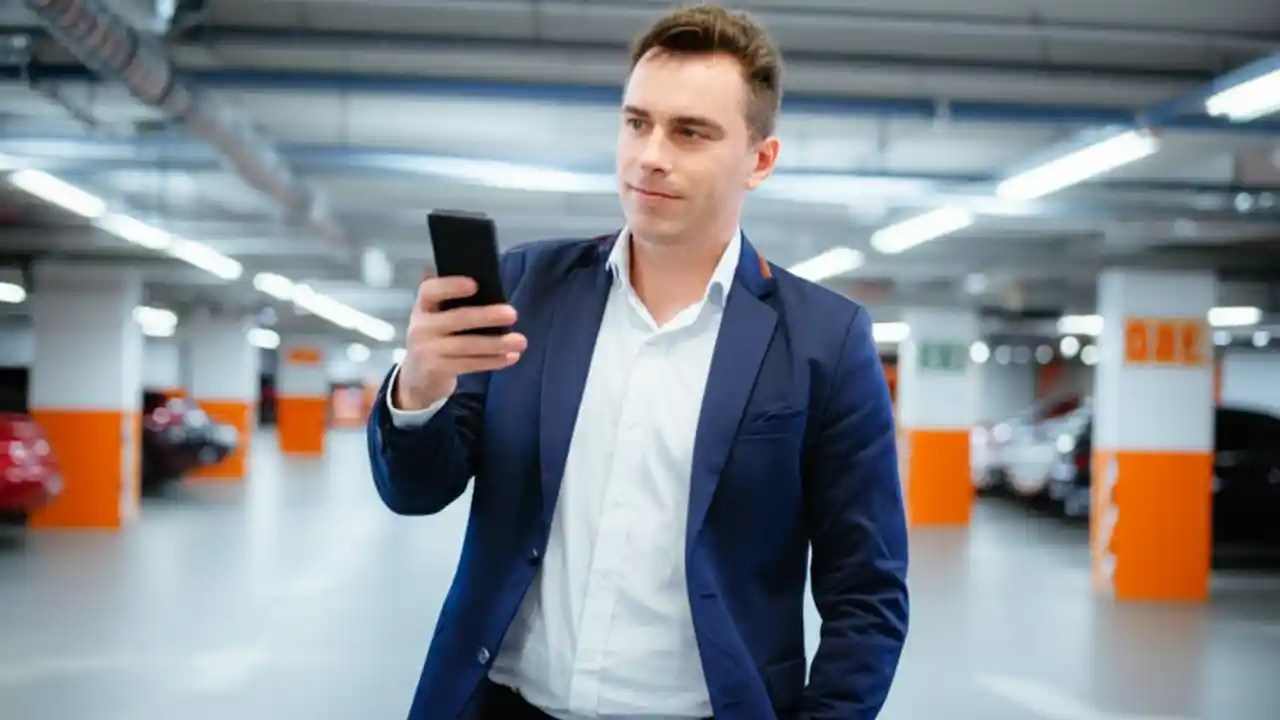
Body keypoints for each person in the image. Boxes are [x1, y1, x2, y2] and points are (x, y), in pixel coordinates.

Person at [367, 4, 909, 719]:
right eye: (636, 122)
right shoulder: (527, 290)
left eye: (690, 132)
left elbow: (866, 594)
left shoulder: (824, 342)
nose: (651, 153)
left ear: (760, 160)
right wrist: (422, 387)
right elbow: (415, 491)